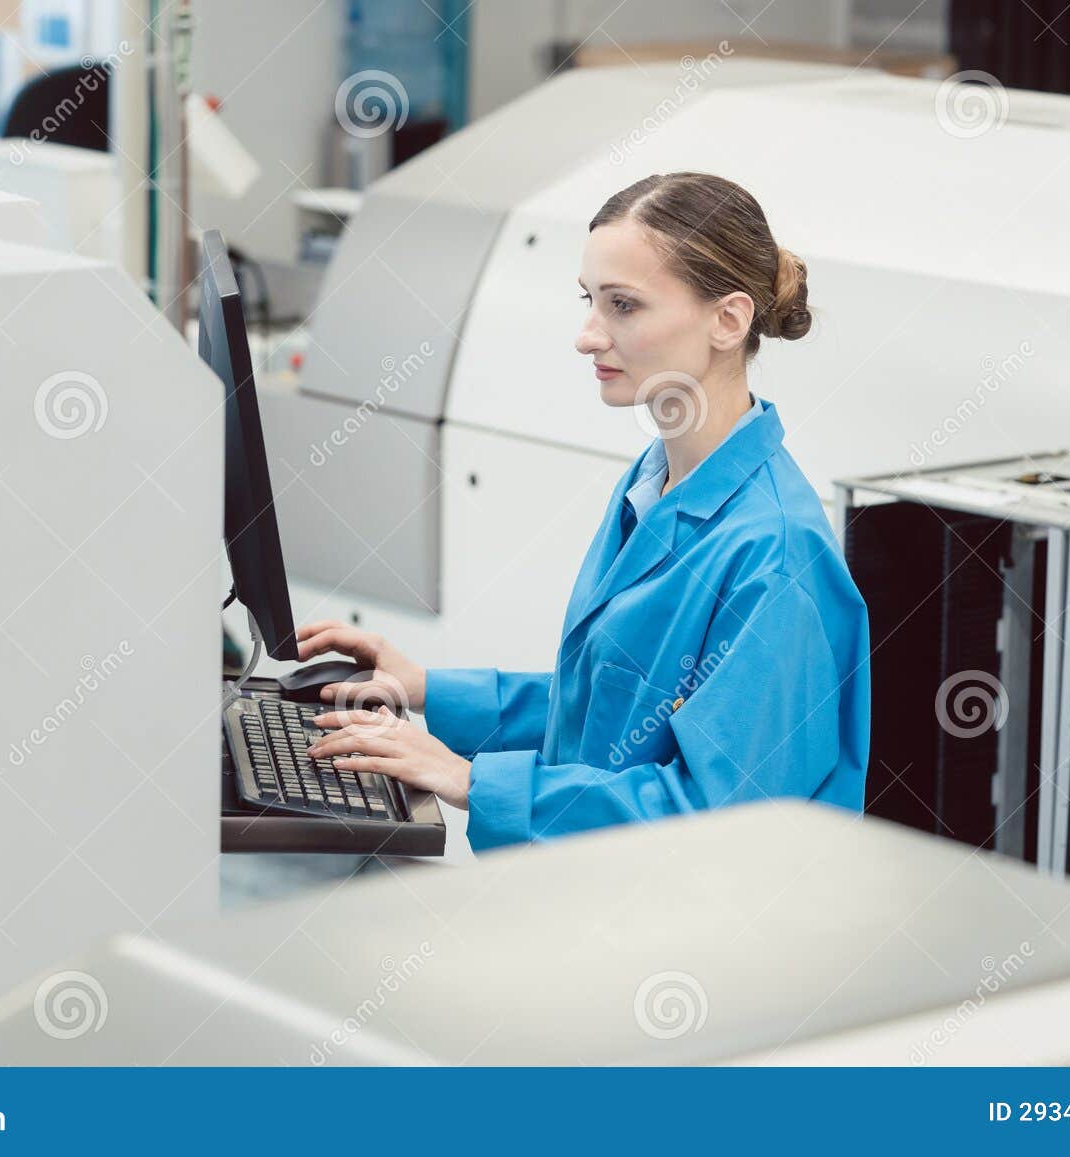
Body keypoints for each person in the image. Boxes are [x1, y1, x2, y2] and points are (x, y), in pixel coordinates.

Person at [302, 171, 870, 852]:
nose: (588, 336)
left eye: (623, 306)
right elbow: (610, 712)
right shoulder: (655, 481)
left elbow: (717, 821)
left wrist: (469, 779)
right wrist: (424, 688)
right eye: (590, 301)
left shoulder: (775, 556)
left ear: (729, 319)